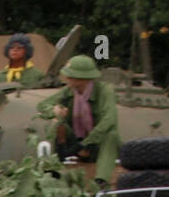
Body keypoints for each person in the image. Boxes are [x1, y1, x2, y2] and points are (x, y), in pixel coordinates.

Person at [37, 54, 119, 185]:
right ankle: (53, 169)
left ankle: (101, 180)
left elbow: (109, 120)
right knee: (57, 123)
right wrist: (54, 110)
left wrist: (85, 144)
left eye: (70, 75)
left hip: (96, 143)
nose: (66, 78)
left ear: (82, 77)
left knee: (111, 135)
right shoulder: (69, 91)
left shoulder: (104, 91)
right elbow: (42, 105)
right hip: (74, 140)